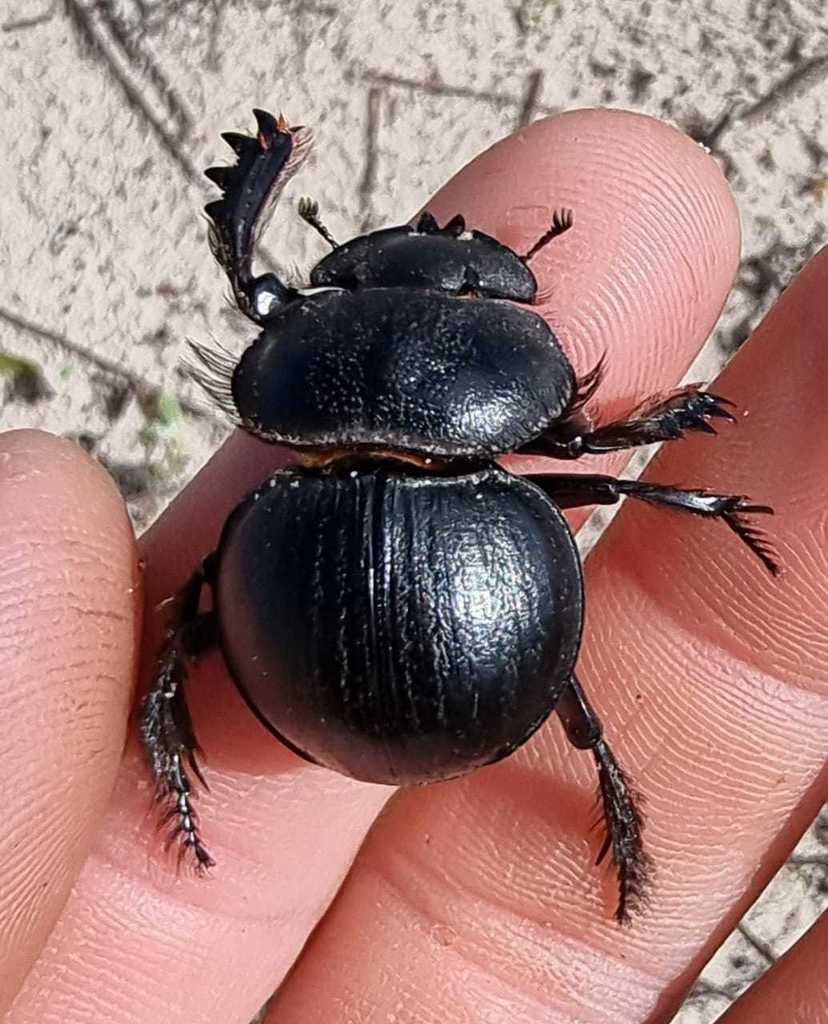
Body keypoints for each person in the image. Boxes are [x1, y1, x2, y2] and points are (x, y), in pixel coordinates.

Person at [0, 108, 825, 1024]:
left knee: (186, 628)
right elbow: (587, 444)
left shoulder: (275, 489)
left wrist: (258, 188)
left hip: (320, 682)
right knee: (579, 625)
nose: (441, 248)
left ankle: (173, 771)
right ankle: (609, 790)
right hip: (450, 694)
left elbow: (252, 290)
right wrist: (672, 436)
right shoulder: (518, 443)